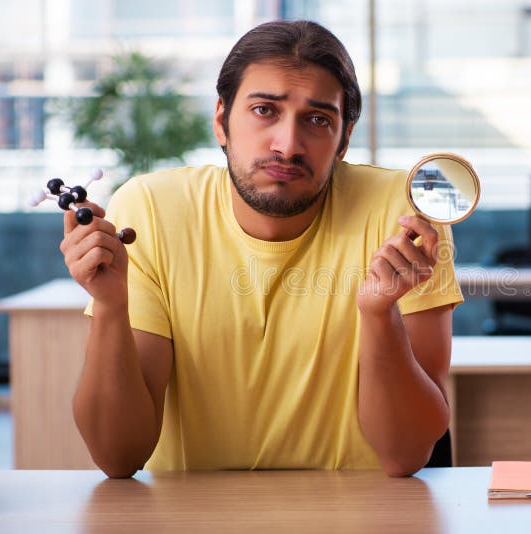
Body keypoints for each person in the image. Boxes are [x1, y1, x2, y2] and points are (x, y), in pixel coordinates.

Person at [59, 19, 463, 478]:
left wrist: (378, 313)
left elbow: (406, 454)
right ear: (221, 120)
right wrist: (111, 307)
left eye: (317, 120)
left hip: (361, 514)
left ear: (344, 140)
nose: (288, 145)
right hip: (193, 517)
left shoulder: (401, 214)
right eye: (264, 110)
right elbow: (118, 457)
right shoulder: (149, 208)